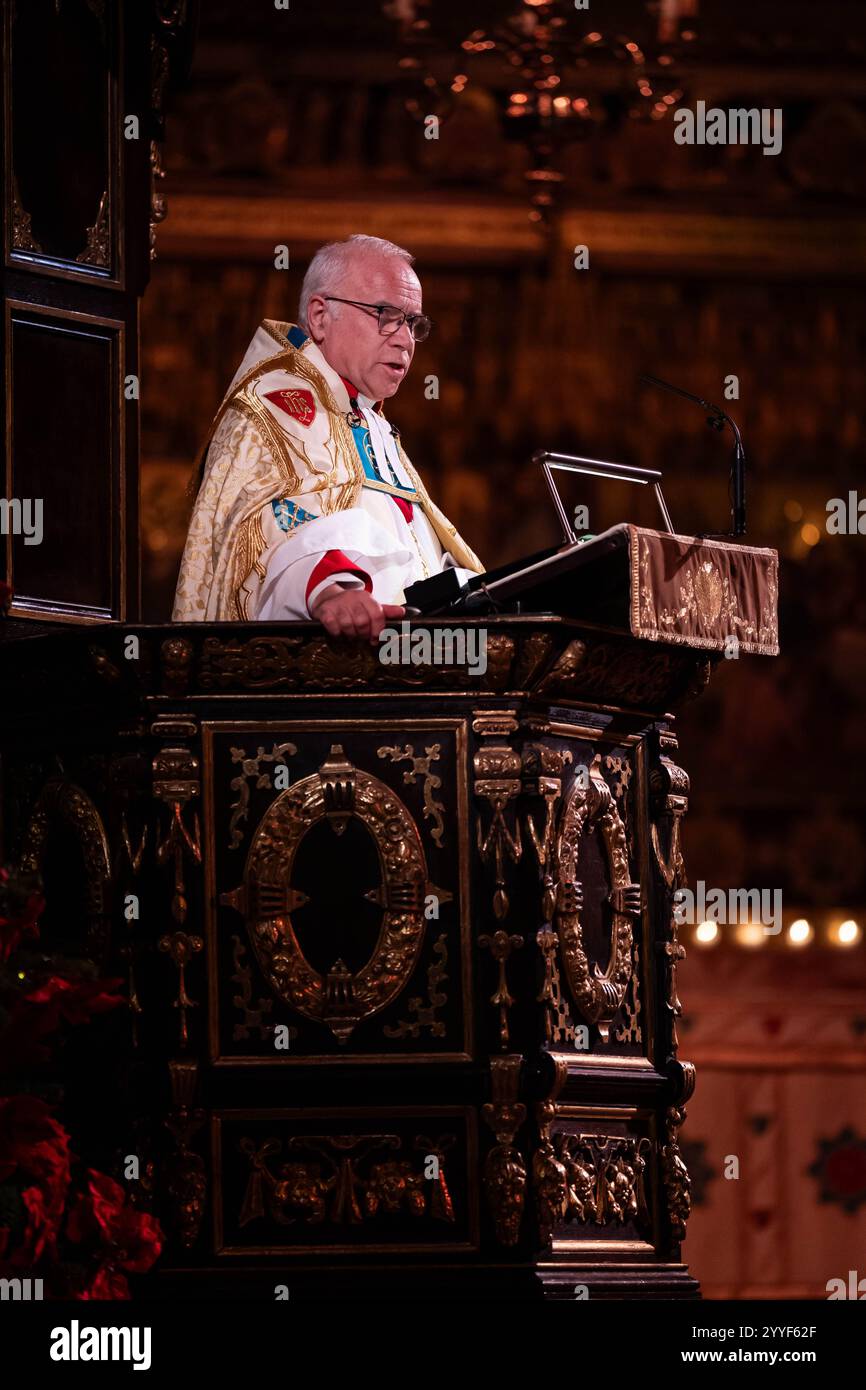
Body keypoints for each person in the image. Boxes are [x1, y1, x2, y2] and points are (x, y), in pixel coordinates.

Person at [172, 234, 483, 640]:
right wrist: (329, 590)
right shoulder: (272, 407)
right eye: (385, 314)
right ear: (320, 316)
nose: (405, 340)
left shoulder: (372, 422)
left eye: (413, 323)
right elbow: (260, 533)